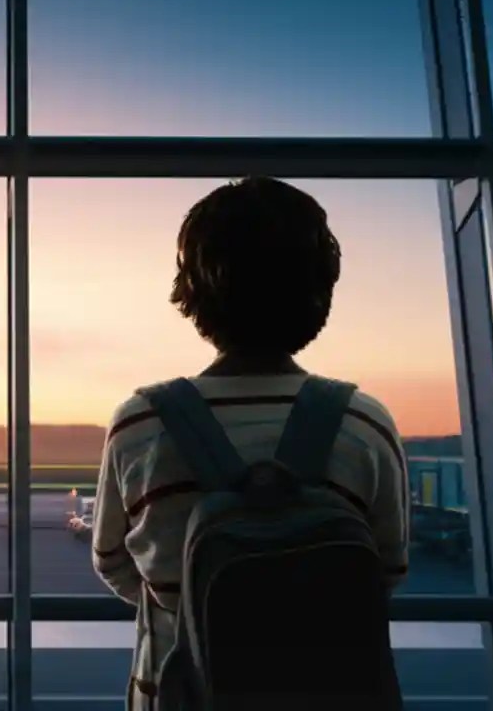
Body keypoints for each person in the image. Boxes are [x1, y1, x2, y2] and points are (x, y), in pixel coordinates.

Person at [91, 177, 410, 710]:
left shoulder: (140, 423)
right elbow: (388, 570)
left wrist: (195, 607)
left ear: (193, 294)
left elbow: (112, 562)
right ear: (321, 292)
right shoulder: (365, 422)